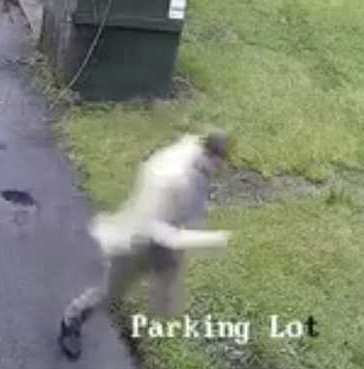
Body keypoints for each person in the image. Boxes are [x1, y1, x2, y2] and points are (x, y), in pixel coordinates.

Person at [58, 129, 233, 361]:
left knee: (166, 299)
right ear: (207, 153)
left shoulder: (198, 167)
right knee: (110, 293)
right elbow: (161, 229)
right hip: (138, 242)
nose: (219, 168)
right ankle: (71, 321)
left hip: (164, 244)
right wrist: (210, 240)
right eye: (217, 161)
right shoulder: (174, 177)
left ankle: (150, 332)